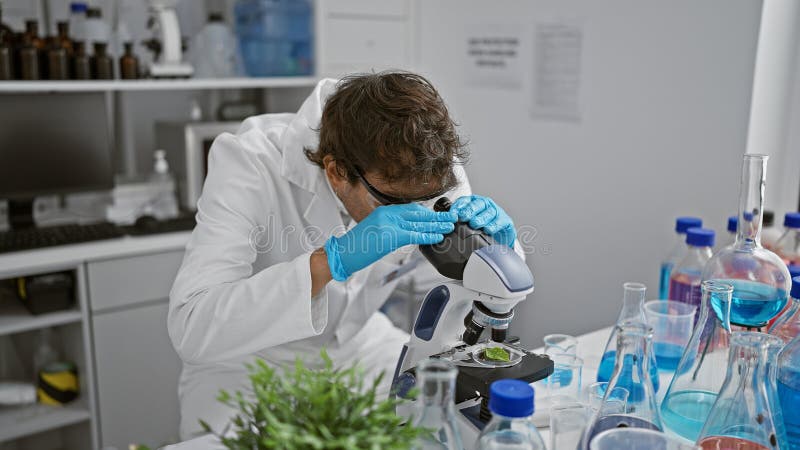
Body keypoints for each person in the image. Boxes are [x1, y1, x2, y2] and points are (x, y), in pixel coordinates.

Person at [168, 71, 522, 439]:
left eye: (428, 199)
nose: (420, 209)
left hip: (359, 347)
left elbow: (465, 282)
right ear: (336, 172)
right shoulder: (251, 161)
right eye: (397, 202)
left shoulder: (428, 166)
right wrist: (330, 261)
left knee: (444, 427)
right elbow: (192, 326)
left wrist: (499, 252)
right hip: (251, 363)